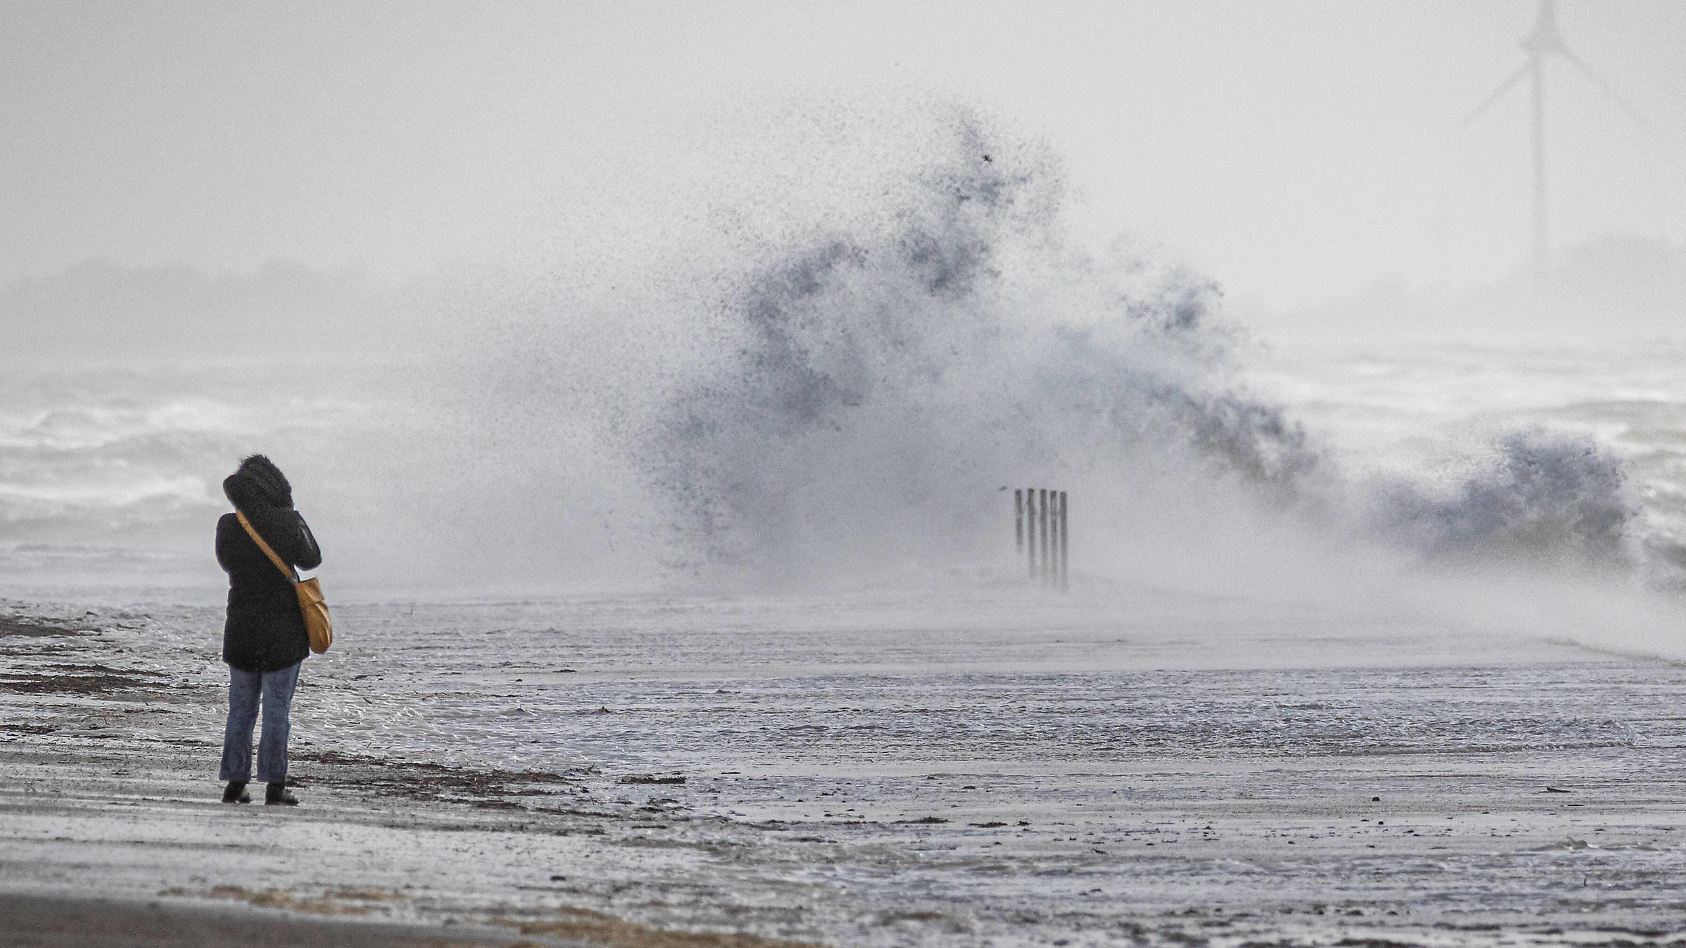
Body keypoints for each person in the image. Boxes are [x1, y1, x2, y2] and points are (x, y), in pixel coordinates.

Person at [214, 455, 322, 805]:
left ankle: (235, 782)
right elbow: (311, 558)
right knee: (278, 709)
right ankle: (275, 786)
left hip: (242, 627)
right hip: (284, 631)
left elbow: (227, 564)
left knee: (240, 709)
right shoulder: (286, 521)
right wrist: (294, 516)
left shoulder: (229, 525)